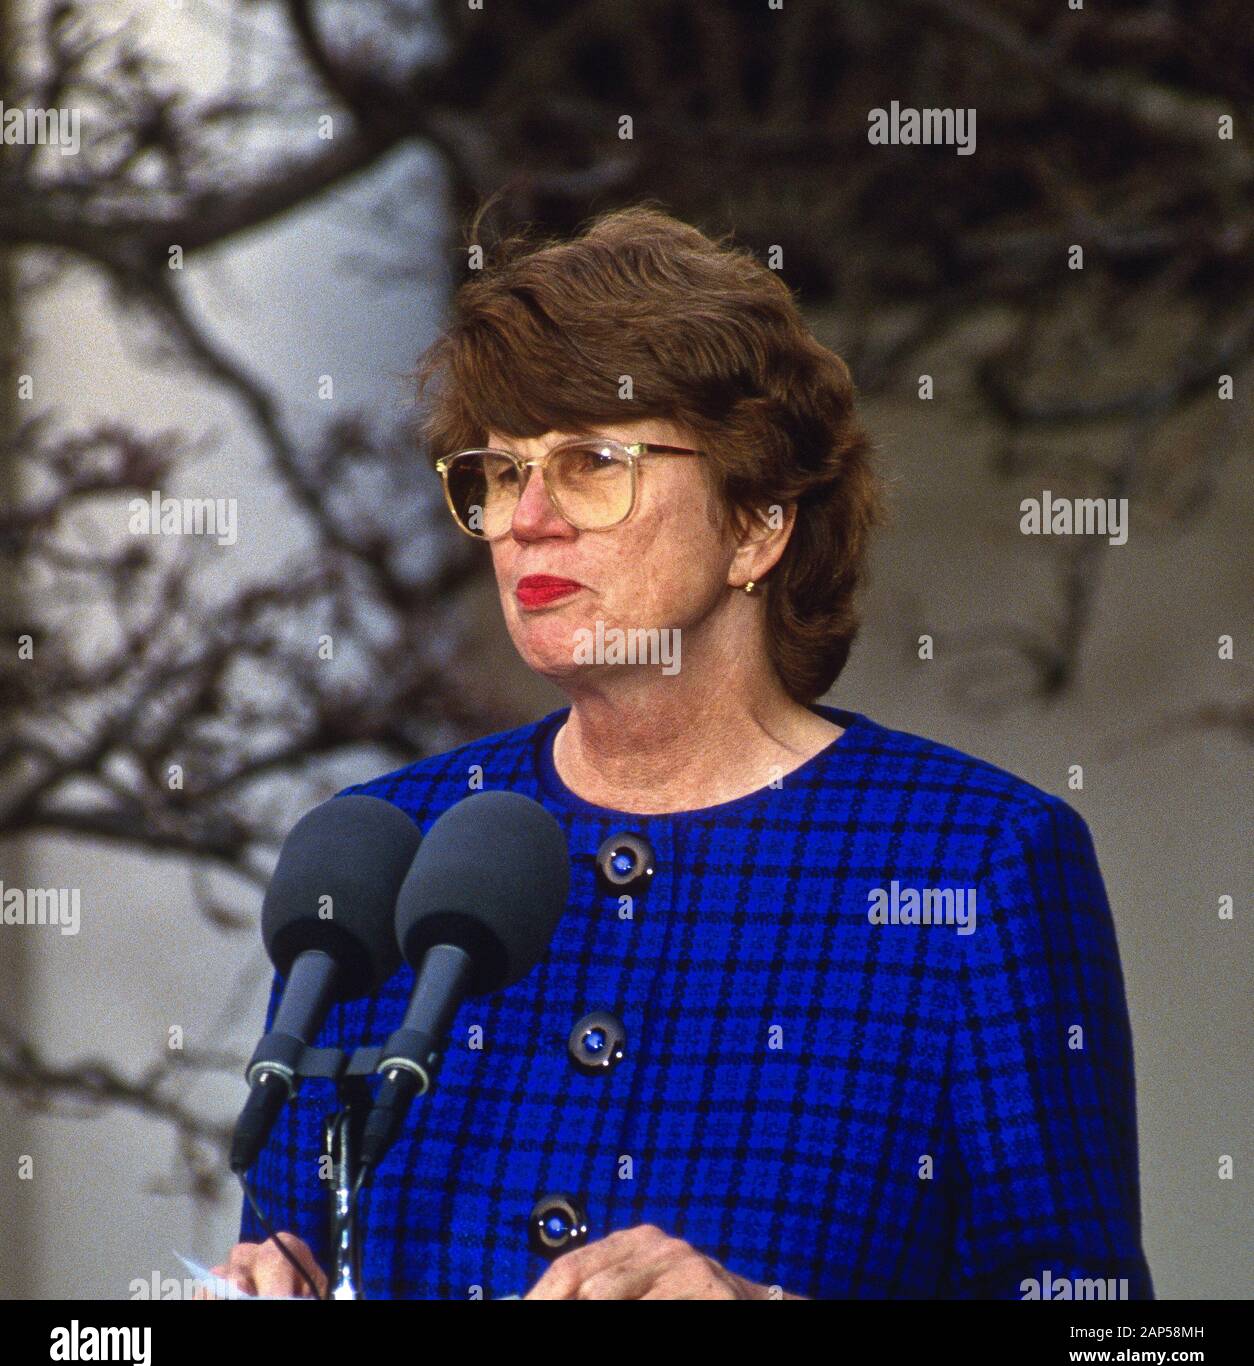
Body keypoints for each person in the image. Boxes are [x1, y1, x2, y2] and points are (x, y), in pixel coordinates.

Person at [212, 204, 1152, 1299]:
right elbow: (286, 1247)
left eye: (592, 461)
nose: (527, 518)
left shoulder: (975, 864)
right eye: (503, 472)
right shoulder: (382, 855)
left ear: (756, 519)